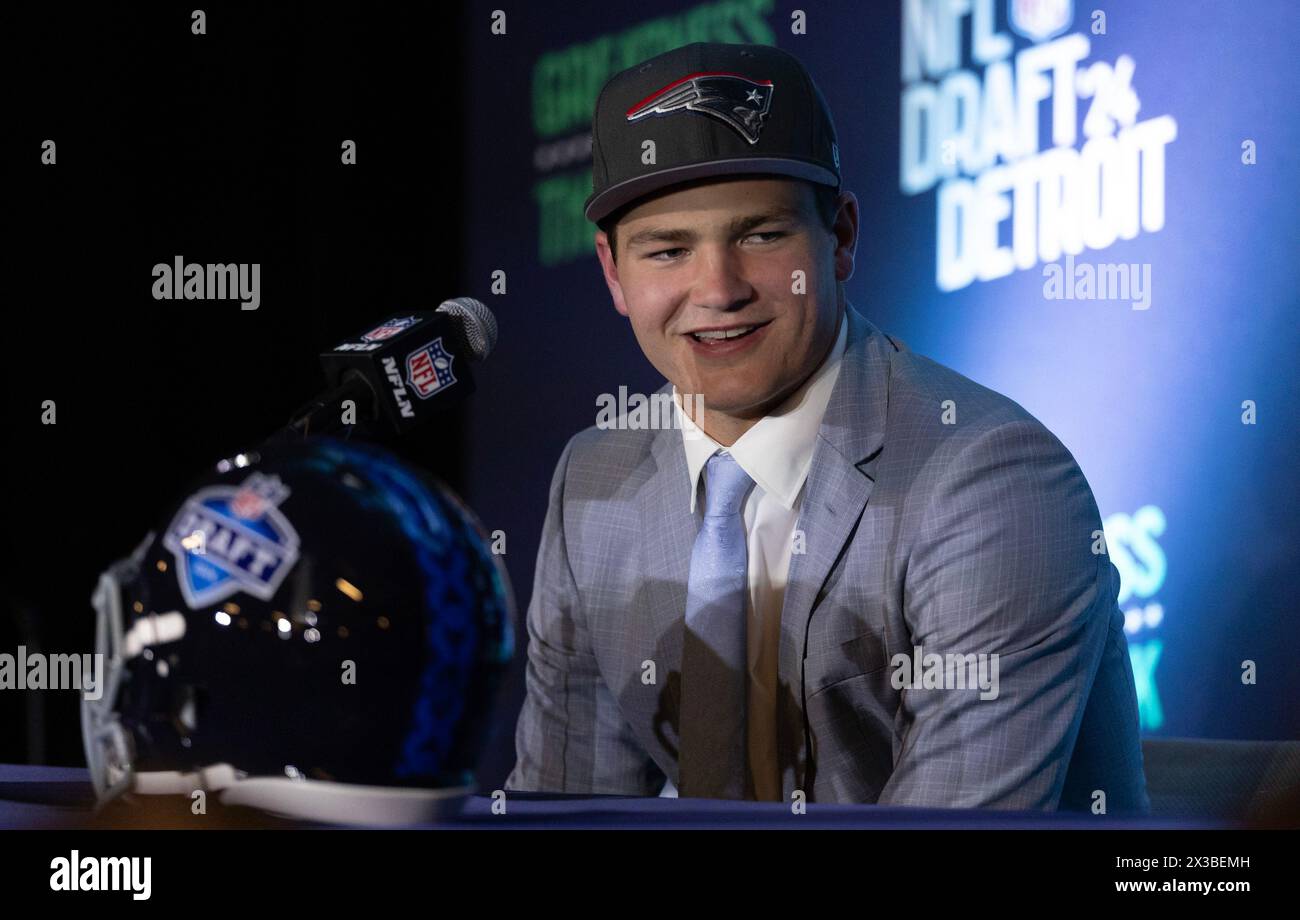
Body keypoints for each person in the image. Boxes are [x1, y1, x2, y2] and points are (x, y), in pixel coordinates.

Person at [506, 41, 1148, 812]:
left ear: (839, 237)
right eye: (668, 250)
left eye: (762, 235)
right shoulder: (594, 481)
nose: (718, 290)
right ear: (614, 273)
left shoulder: (990, 481)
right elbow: (569, 815)